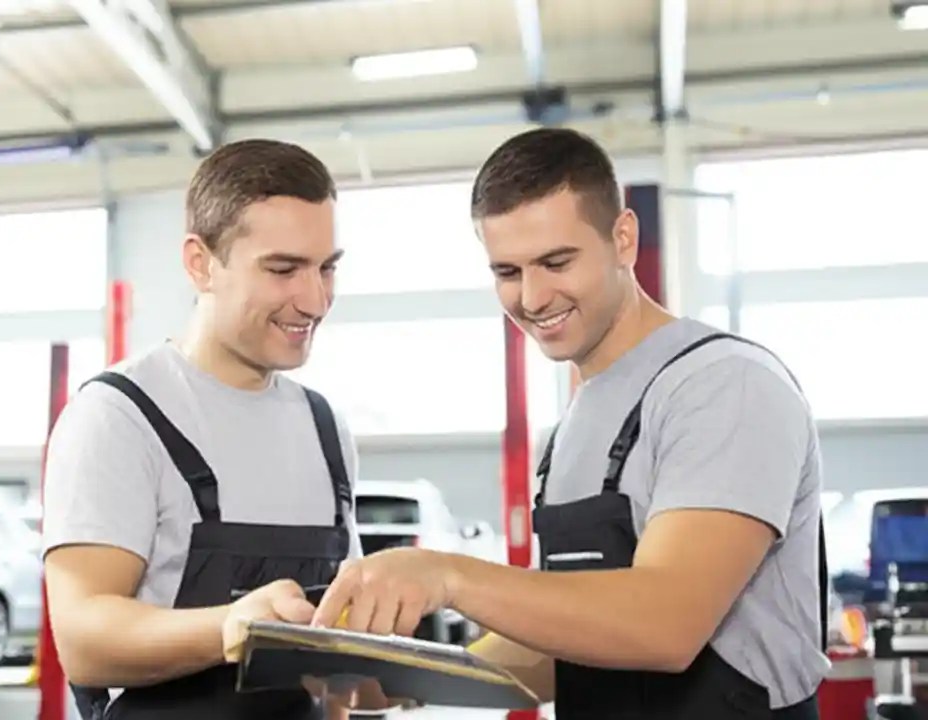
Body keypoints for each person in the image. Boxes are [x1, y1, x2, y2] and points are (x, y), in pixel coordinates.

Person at [310, 128, 830, 719]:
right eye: (508, 271)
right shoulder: (576, 427)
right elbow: (565, 641)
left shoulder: (724, 385)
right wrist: (413, 679)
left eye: (556, 262)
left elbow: (666, 623)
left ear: (624, 238)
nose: (532, 296)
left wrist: (445, 574)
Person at [41, 139, 387, 720]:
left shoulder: (325, 427)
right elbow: (83, 640)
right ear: (202, 263)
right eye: (283, 269)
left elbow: (336, 665)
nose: (316, 299)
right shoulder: (120, 416)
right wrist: (231, 626)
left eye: (327, 267)